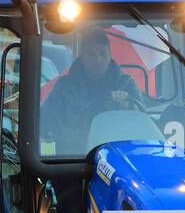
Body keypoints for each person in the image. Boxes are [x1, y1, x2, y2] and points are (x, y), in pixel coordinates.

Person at [42, 26, 145, 156]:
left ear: (110, 55)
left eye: (102, 53)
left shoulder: (126, 83)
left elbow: (143, 120)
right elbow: (44, 122)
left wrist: (127, 106)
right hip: (73, 161)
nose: (98, 59)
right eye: (92, 54)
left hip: (118, 158)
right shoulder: (65, 87)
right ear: (82, 57)